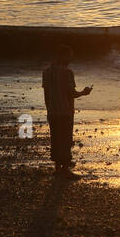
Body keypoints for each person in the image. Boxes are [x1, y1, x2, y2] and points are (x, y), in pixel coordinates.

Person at [42, 45, 92, 175]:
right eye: (70, 56)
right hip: (65, 111)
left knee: (56, 138)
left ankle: (58, 166)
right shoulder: (67, 72)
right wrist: (84, 92)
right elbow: (71, 93)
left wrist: (49, 109)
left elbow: (46, 93)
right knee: (65, 139)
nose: (71, 58)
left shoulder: (46, 72)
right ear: (64, 56)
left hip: (52, 110)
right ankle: (64, 169)